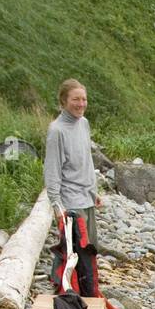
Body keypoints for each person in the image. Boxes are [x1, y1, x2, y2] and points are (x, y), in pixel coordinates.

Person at [43, 79, 100, 230]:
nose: (81, 104)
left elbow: (86, 161)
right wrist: (57, 205)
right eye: (75, 99)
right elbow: (52, 170)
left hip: (87, 199)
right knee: (74, 252)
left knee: (90, 251)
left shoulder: (84, 123)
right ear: (63, 101)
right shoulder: (57, 131)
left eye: (84, 99)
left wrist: (94, 191)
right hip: (71, 204)